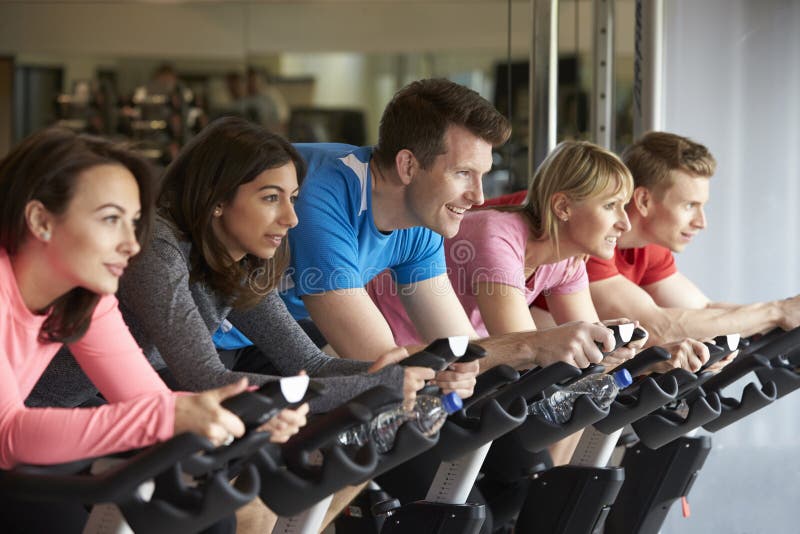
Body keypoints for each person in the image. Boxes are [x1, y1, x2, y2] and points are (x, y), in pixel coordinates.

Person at [0, 128, 304, 532]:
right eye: (111, 219)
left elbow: (147, 399)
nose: (131, 243)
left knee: (213, 519)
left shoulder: (88, 296)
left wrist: (248, 414)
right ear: (40, 220)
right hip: (14, 452)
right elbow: (10, 436)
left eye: (135, 222)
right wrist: (172, 416)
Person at [281, 78, 617, 377]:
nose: (479, 196)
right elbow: (379, 362)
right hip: (236, 336)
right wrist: (533, 345)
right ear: (408, 165)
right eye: (462, 174)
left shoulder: (421, 222)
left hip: (283, 336)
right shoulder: (322, 193)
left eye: (482, 175)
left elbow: (458, 345)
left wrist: (573, 342)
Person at [492, 132, 800, 345]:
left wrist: (776, 320)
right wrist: (775, 312)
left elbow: (702, 313)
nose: (701, 222)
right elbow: (657, 328)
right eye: (689, 205)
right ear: (643, 201)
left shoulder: (644, 245)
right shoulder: (586, 232)